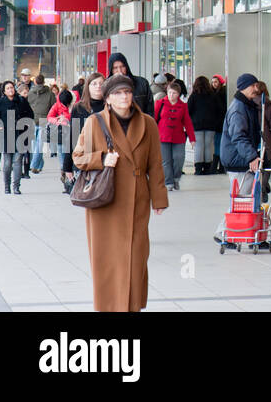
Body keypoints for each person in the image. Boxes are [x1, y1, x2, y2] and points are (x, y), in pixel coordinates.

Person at [72, 75, 169, 311]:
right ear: (107, 98)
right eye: (117, 93)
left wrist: (159, 197)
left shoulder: (147, 123)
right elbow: (78, 157)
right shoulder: (95, 122)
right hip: (105, 201)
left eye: (127, 92)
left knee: (137, 257)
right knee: (107, 259)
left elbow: (156, 163)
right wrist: (102, 159)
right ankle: (108, 306)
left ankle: (132, 305)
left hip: (137, 199)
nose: (123, 97)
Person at [220, 73, 263, 185]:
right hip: (238, 161)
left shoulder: (246, 106)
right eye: (252, 86)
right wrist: (252, 156)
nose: (256, 89)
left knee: (247, 198)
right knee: (243, 198)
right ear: (243, 87)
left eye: (256, 85)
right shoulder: (238, 109)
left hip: (241, 159)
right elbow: (238, 136)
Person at [64, 74, 106, 189]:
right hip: (84, 158)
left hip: (105, 158)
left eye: (101, 84)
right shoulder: (79, 108)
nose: (98, 87)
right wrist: (67, 166)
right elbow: (73, 136)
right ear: (88, 86)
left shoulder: (110, 107)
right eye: (94, 84)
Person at [153, 80, 195, 191]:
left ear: (178, 94)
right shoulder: (160, 103)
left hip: (178, 137)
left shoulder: (183, 106)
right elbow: (153, 120)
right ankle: (168, 182)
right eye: (170, 92)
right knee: (166, 161)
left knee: (179, 159)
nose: (172, 95)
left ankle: (176, 178)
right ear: (167, 92)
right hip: (162, 136)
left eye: (174, 93)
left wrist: (192, 138)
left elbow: (188, 123)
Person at [0, 81, 31, 194]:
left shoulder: (21, 101)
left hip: (20, 135)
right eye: (8, 88)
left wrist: (27, 124)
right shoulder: (0, 102)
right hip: (6, 136)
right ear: (4, 91)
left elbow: (30, 114)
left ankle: (16, 187)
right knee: (8, 163)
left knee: (18, 162)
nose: (10, 90)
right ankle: (7, 186)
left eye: (12, 88)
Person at [187, 76, 224, 175]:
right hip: (211, 125)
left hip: (197, 125)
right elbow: (220, 110)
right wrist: (216, 121)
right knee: (208, 146)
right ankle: (207, 167)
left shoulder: (194, 96)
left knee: (198, 146)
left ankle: (198, 168)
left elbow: (188, 110)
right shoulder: (213, 95)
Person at [27, 73, 54, 173]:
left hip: (33, 120)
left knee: (36, 144)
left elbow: (27, 106)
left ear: (35, 82)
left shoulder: (30, 93)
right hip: (44, 121)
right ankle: (38, 164)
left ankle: (33, 165)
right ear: (44, 82)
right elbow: (53, 107)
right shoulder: (50, 94)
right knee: (39, 145)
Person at [48, 89, 73, 191]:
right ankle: (66, 182)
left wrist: (66, 118)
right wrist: (58, 120)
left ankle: (70, 180)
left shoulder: (75, 105)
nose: (65, 106)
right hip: (61, 135)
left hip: (73, 134)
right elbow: (49, 117)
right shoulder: (56, 105)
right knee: (63, 160)